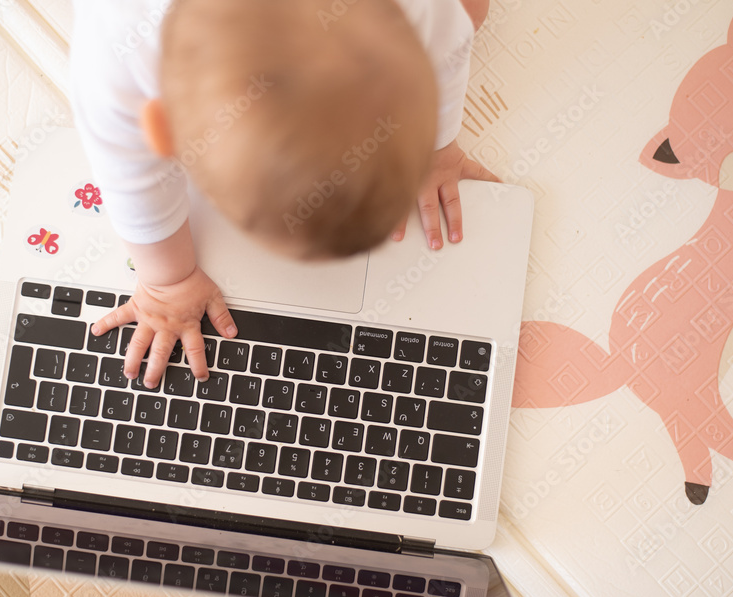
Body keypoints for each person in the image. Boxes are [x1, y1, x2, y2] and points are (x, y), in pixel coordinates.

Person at [70, 0, 497, 389]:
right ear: (164, 132)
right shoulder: (117, 57)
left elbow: (450, 44)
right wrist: (168, 282)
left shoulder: (417, 11)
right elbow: (132, 182)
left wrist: (436, 148)